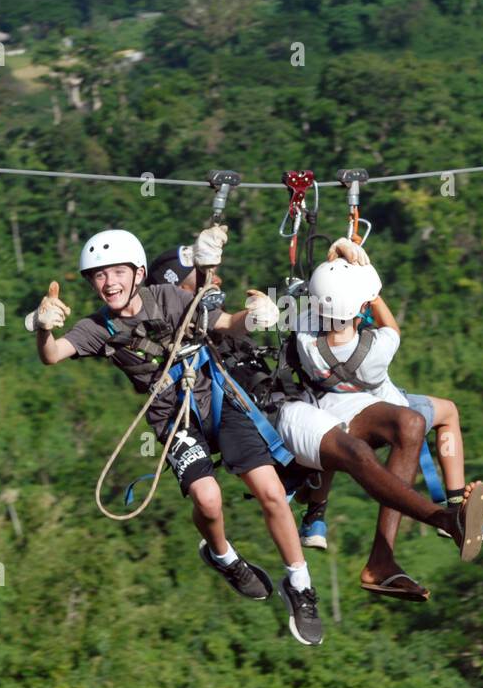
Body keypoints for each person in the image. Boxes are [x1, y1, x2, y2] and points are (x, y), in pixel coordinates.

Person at [27, 227, 323, 645]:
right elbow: (52, 355)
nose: (108, 282)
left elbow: (223, 322)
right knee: (207, 498)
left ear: (138, 272)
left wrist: (253, 318)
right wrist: (43, 329)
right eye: (98, 275)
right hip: (174, 419)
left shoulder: (167, 298)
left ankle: (300, 583)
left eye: (116, 272)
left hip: (217, 401)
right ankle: (223, 556)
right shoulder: (98, 328)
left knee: (270, 492)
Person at [288, 252, 483, 601]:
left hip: (329, 409)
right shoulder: (376, 349)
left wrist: (335, 275)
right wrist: (372, 292)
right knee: (448, 412)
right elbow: (391, 327)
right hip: (380, 407)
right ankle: (454, 504)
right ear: (360, 307)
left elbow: (315, 305)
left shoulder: (305, 337)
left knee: (410, 423)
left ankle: (317, 514)